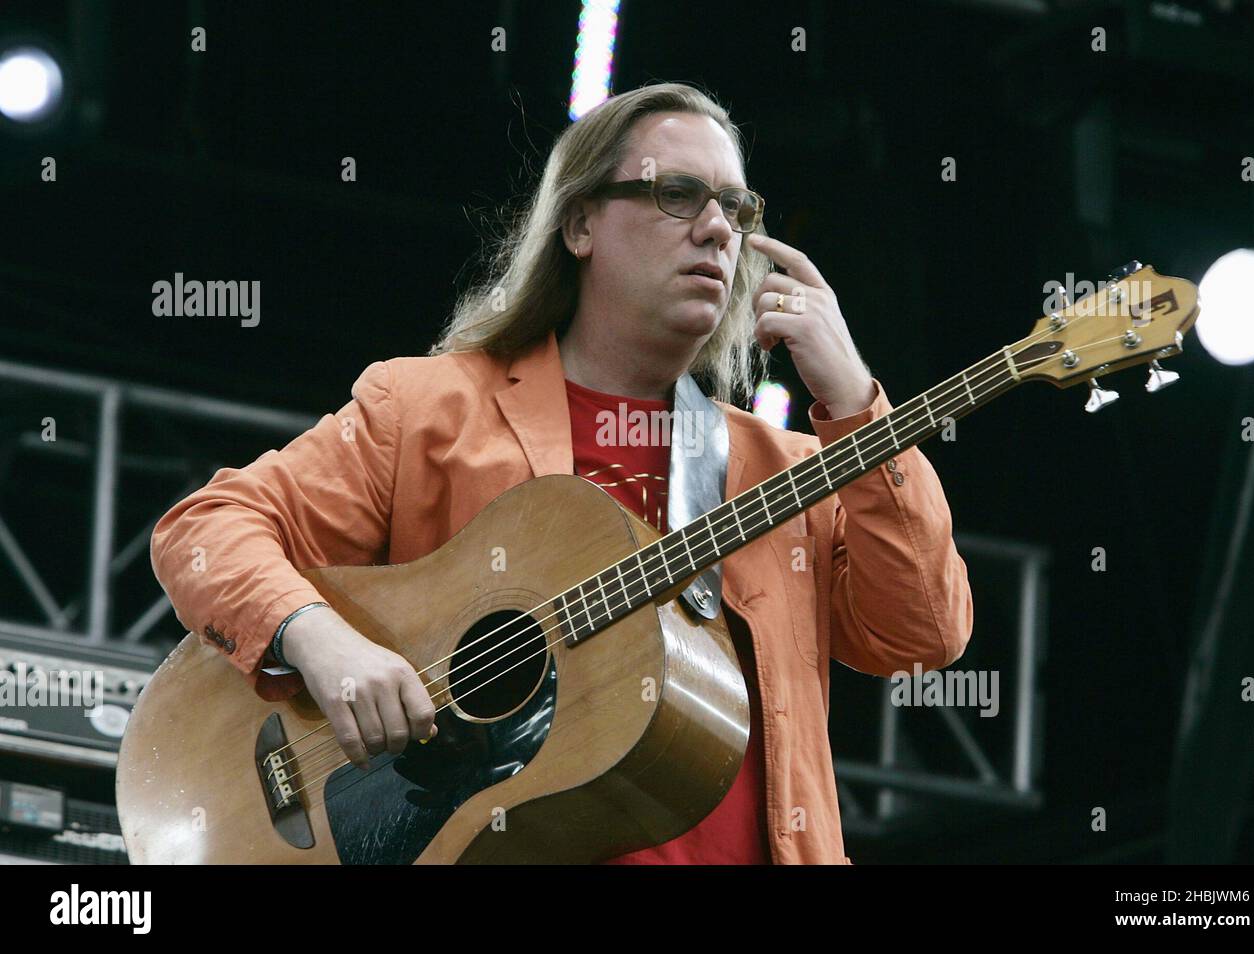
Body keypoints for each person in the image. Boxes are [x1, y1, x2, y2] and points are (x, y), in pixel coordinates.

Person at [149, 82, 974, 865]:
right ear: (580, 223)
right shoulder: (431, 409)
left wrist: (860, 406)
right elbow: (203, 533)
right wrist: (321, 642)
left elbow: (923, 635)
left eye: (737, 206)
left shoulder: (791, 470)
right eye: (678, 194)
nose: (719, 230)